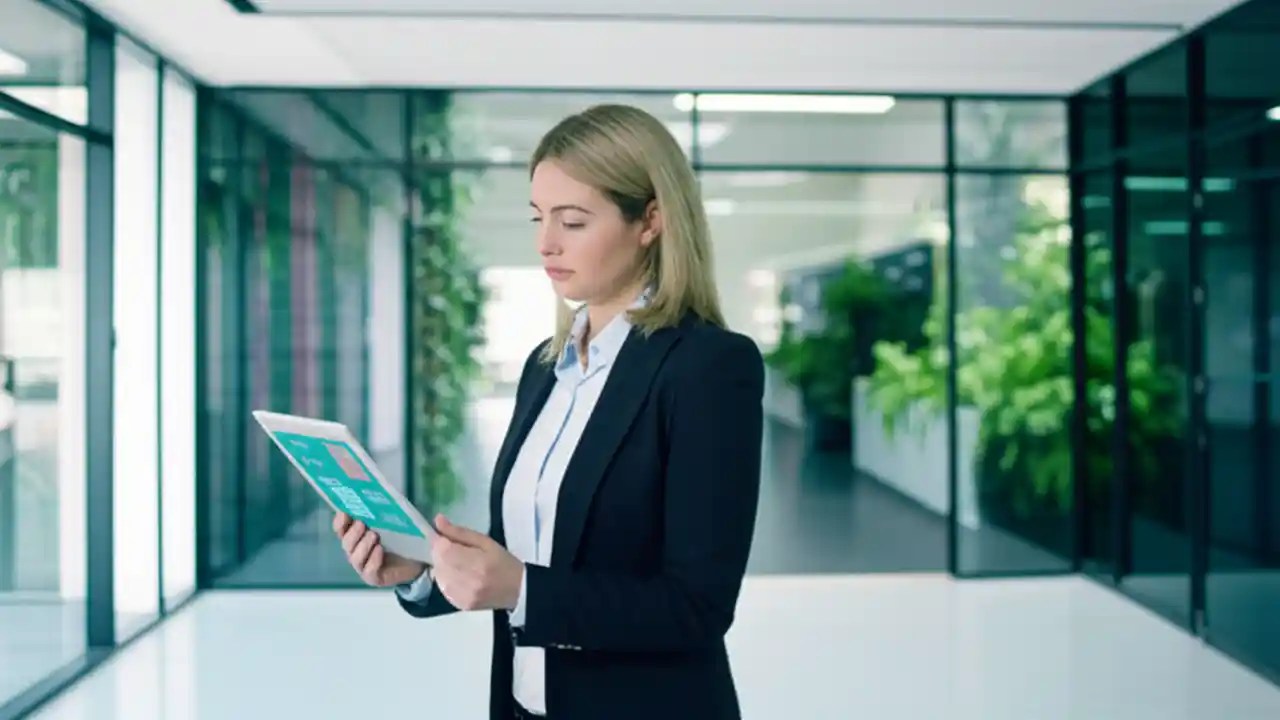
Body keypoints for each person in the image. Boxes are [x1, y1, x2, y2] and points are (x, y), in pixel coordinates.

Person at [333, 103, 764, 720]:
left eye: (574, 221)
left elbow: (697, 605)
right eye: (539, 218)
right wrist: (422, 570)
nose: (546, 243)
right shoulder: (546, 367)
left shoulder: (708, 367)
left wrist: (519, 587)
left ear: (650, 221)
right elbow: (530, 552)